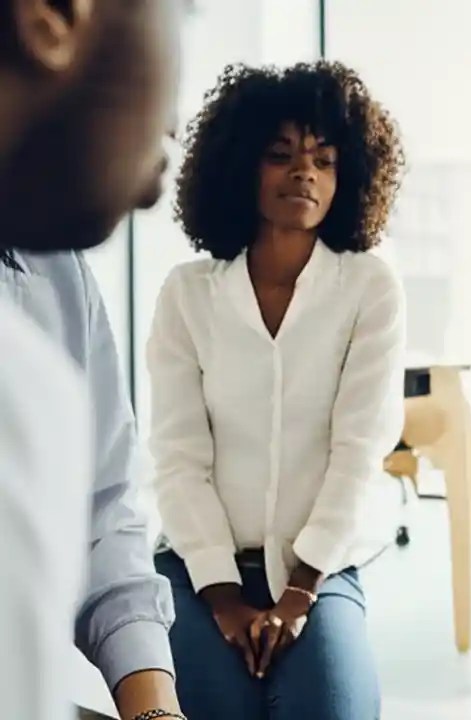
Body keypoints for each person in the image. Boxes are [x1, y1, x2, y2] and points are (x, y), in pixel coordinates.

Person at [147, 60, 406, 720]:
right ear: (240, 167)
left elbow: (358, 450)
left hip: (320, 571)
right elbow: (178, 459)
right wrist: (222, 593)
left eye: (324, 158)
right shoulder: (188, 294)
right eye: (281, 155)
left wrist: (300, 592)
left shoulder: (371, 288)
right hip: (201, 570)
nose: (305, 173)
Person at [0, 0, 184, 718]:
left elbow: (101, 509)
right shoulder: (20, 379)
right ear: (51, 15)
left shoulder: (53, 272)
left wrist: (153, 708)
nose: (173, 121)